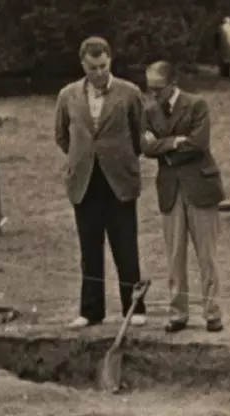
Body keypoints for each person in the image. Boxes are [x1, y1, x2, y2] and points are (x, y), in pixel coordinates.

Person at [55, 36, 148, 330]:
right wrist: (83, 158)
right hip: (85, 181)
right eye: (93, 67)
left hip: (119, 179)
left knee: (125, 245)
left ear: (111, 61)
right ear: (83, 64)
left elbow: (139, 134)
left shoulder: (129, 93)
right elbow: (62, 135)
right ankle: (91, 310)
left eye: (104, 66)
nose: (99, 73)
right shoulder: (68, 95)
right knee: (89, 248)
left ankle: (133, 307)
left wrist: (119, 158)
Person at [142, 61, 225, 333]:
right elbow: (145, 147)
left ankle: (212, 313)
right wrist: (175, 142)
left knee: (207, 255)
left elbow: (199, 144)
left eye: (158, 88)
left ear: (172, 83)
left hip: (200, 186)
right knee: (174, 255)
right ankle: (178, 313)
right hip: (170, 188)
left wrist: (164, 146)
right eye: (149, 88)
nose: (153, 94)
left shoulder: (197, 104)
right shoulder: (150, 111)